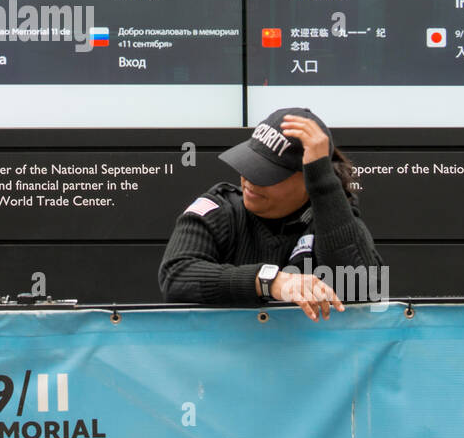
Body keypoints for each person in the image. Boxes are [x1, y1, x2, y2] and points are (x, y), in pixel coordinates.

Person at [158, 107, 382, 320]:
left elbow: (361, 290)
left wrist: (323, 182)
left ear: (307, 179)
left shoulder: (329, 217)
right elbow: (176, 276)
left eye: (265, 174)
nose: (249, 181)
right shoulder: (219, 208)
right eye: (247, 166)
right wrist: (271, 282)